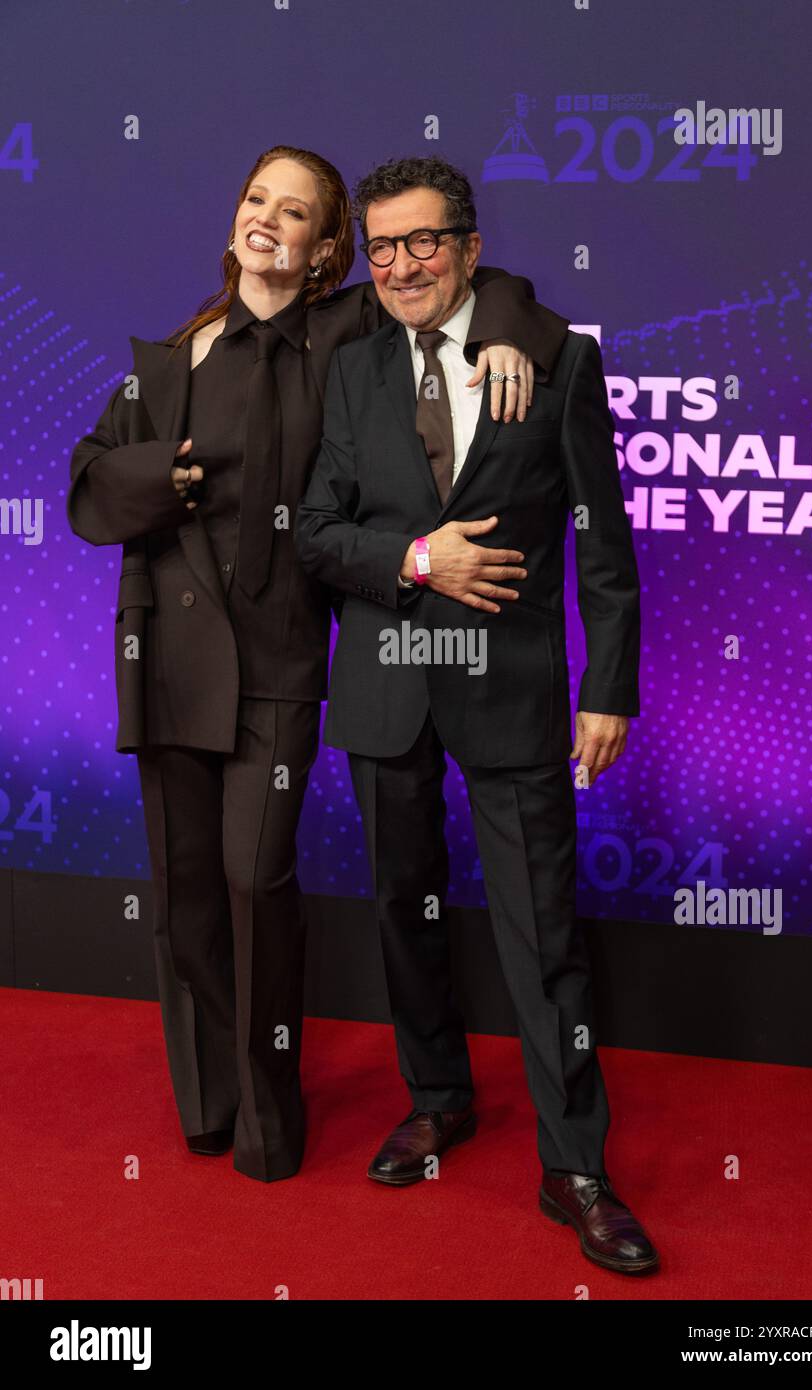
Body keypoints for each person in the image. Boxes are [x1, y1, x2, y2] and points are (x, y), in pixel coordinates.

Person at [67, 145, 568, 1184]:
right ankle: (206, 1106)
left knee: (256, 883)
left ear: (324, 248)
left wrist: (514, 333)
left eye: (294, 213)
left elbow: (470, 281)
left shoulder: (344, 327)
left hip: (284, 662)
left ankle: (267, 1115)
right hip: (168, 657)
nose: (267, 220)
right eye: (256, 198)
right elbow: (85, 488)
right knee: (188, 894)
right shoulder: (171, 355)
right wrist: (166, 473)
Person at [295, 155, 659, 1274]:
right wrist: (415, 555)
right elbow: (312, 531)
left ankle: (575, 1165)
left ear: (466, 244)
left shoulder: (555, 360)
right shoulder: (348, 370)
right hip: (387, 683)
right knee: (404, 912)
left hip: (514, 692)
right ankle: (438, 1098)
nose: (401, 265)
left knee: (543, 934)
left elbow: (602, 540)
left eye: (422, 242)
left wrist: (607, 686)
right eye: (382, 247)